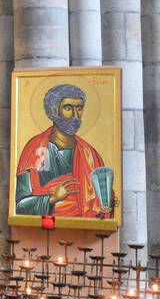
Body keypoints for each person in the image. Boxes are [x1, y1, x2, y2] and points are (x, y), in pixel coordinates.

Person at [14, 83, 112, 219]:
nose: (76, 116)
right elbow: (19, 206)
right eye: (68, 108)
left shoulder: (90, 154)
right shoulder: (35, 149)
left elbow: (103, 198)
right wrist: (53, 198)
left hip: (85, 228)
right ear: (54, 111)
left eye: (79, 108)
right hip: (46, 226)